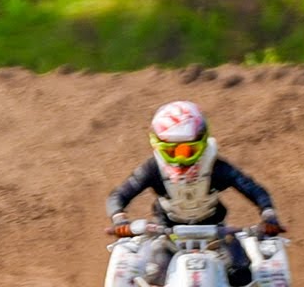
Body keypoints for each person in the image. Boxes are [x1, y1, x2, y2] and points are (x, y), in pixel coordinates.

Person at [107, 101, 284, 287]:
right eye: (171, 151)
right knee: (154, 275)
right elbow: (118, 196)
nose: (180, 160)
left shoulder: (216, 168)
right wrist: (120, 219)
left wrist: (268, 214)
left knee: (241, 273)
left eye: (187, 150)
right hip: (167, 235)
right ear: (158, 147)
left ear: (203, 143)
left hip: (215, 234)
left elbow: (254, 189)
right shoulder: (152, 169)